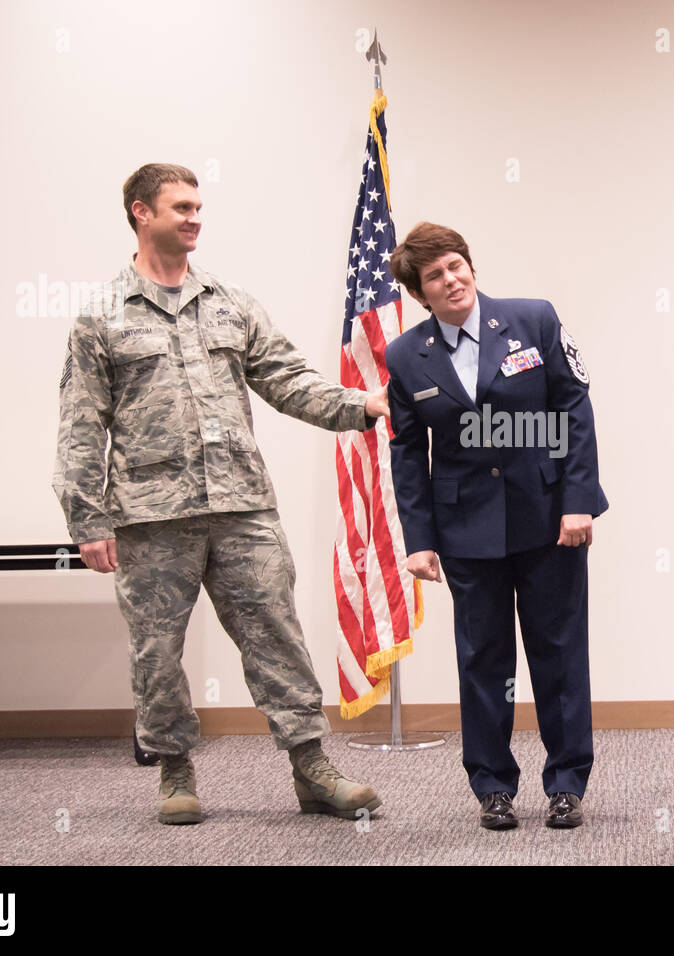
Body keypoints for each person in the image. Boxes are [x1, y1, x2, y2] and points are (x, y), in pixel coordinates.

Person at [53, 163, 389, 825]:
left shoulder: (232, 304)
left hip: (242, 507)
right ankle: (175, 772)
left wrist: (362, 405)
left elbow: (289, 380)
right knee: (157, 650)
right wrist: (86, 517)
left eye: (198, 207)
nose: (194, 217)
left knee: (278, 637)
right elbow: (81, 423)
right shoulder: (101, 315)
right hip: (151, 517)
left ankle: (311, 768)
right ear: (140, 212)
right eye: (180, 207)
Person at [384, 223, 607, 830]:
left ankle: (566, 782)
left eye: (456, 265)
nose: (450, 279)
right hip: (464, 531)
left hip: (548, 519)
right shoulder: (406, 355)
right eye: (435, 275)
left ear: (471, 267)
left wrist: (577, 500)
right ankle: (492, 785)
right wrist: (420, 539)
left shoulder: (533, 320)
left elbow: (573, 410)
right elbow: (408, 452)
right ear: (420, 294)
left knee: (558, 652)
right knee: (483, 659)